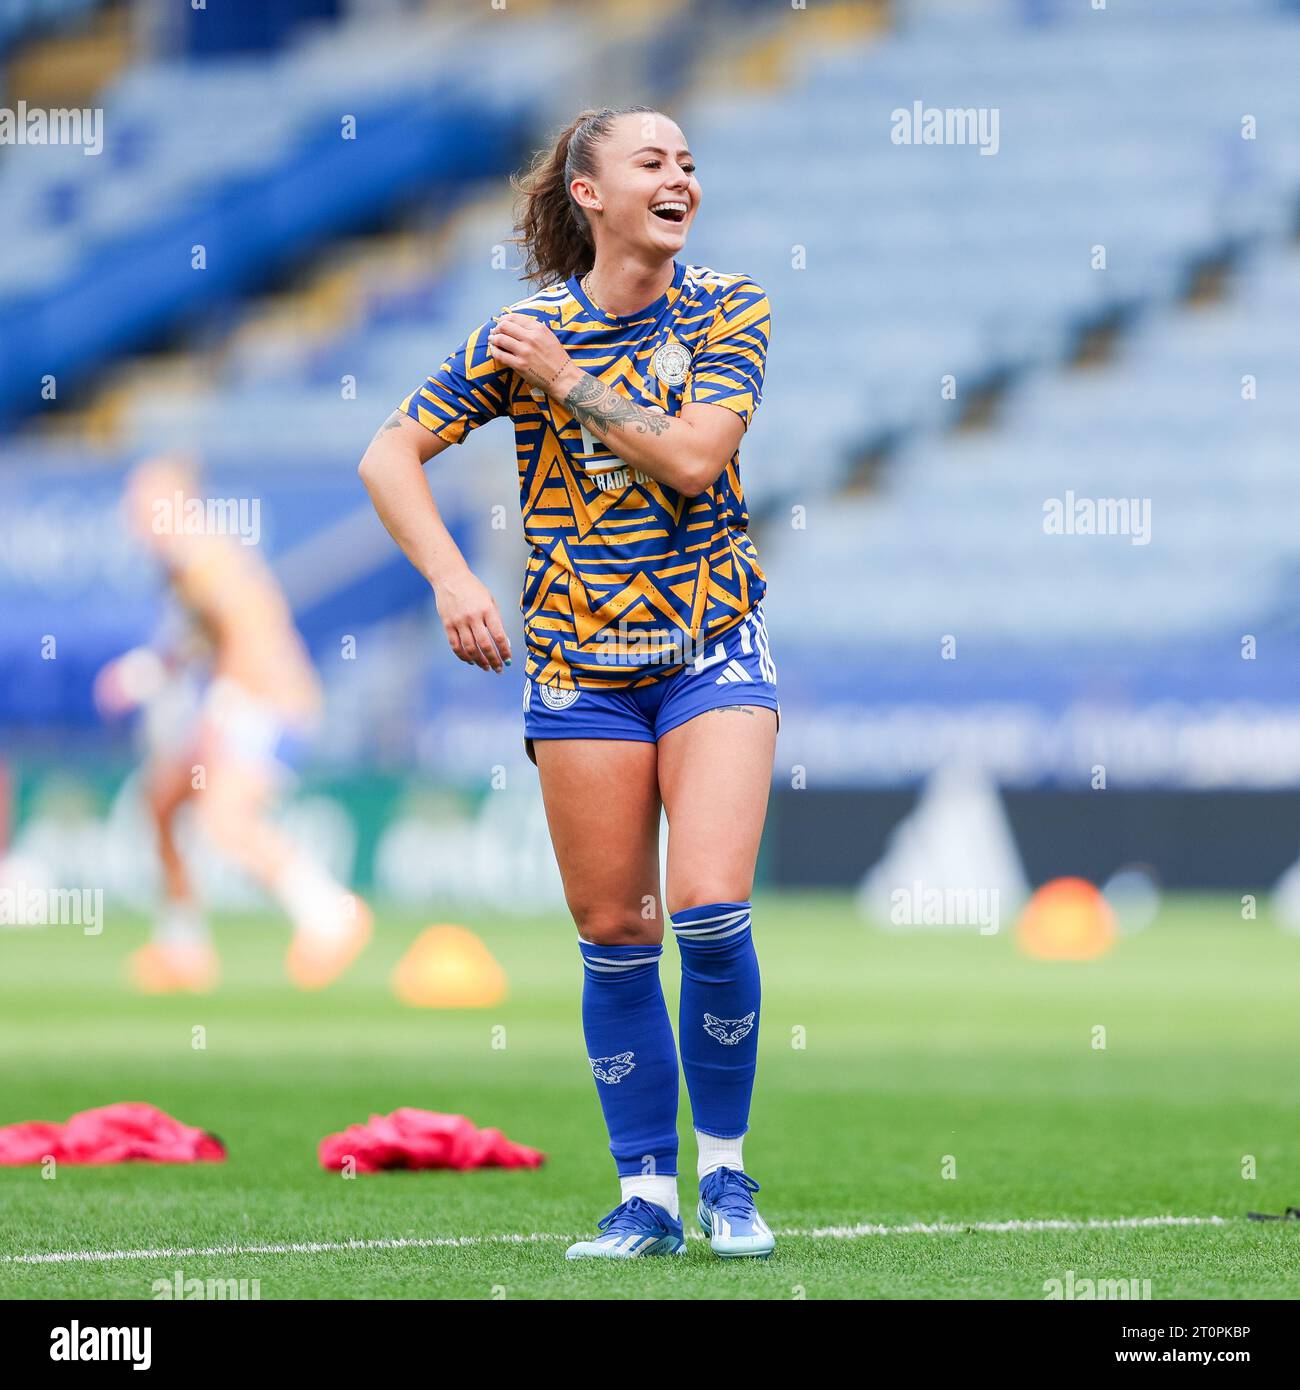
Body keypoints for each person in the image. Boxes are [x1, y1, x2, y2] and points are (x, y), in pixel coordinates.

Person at [360, 107, 776, 1259]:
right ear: (589, 193)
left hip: (709, 649)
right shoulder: (522, 329)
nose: (680, 176)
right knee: (615, 931)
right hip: (578, 670)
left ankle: (728, 1180)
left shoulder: (730, 306)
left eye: (689, 161)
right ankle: (646, 1197)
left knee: (708, 904)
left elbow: (696, 456)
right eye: (653, 162)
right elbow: (386, 453)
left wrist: (569, 382)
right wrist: (450, 579)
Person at [96, 456, 372, 993]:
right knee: (162, 802)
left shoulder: (201, 553)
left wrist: (223, 710)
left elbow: (249, 627)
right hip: (248, 698)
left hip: (268, 703)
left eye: (147, 502)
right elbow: (202, 636)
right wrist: (145, 672)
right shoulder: (183, 561)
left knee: (225, 820)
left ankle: (331, 915)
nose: (137, 515)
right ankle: (183, 948)